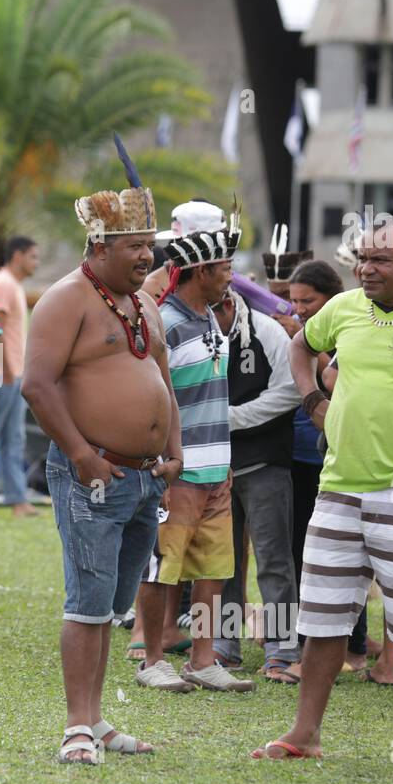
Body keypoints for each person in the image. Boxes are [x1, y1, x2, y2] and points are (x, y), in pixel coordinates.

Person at [254, 217, 393, 769]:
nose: (366, 267)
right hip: (337, 491)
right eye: (363, 257)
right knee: (324, 620)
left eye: (381, 259)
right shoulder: (343, 308)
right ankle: (305, 733)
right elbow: (300, 349)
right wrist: (312, 403)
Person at [24, 163, 183, 763]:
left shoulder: (141, 303)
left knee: (113, 609)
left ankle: (98, 719)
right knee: (85, 604)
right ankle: (76, 728)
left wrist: (174, 451)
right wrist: (83, 456)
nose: (146, 256)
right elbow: (36, 386)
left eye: (149, 245)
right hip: (94, 474)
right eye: (134, 246)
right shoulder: (66, 300)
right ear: (99, 245)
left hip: (144, 478)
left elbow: (162, 378)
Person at [135, 200, 254, 692]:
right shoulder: (163, 321)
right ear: (201, 270)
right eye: (225, 267)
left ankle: (203, 660)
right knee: (164, 568)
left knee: (212, 570)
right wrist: (164, 464)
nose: (231, 276)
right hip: (176, 471)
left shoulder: (209, 316)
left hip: (215, 467)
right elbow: (154, 401)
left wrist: (222, 462)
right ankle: (152, 659)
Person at [283, 261, 374, 677]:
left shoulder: (350, 324)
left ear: (332, 299)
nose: (299, 309)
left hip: (346, 459)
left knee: (355, 560)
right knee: (311, 557)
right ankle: (314, 645)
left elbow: (339, 378)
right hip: (303, 457)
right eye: (294, 301)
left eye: (308, 301)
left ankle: (355, 646)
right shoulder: (306, 332)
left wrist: (310, 348)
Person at [211, 284, 301, 683]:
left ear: (228, 304)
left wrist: (229, 418)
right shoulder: (192, 330)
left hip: (265, 463)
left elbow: (290, 392)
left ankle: (282, 647)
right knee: (217, 562)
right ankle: (221, 644)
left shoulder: (268, 331)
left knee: (274, 560)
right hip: (211, 467)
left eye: (212, 309)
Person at [0, 236, 41, 517]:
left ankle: (18, 500)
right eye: (33, 256)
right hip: (0, 375)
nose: (36, 263)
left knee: (12, 439)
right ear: (17, 256)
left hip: (13, 374)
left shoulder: (11, 285)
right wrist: (1, 373)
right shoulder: (3, 284)